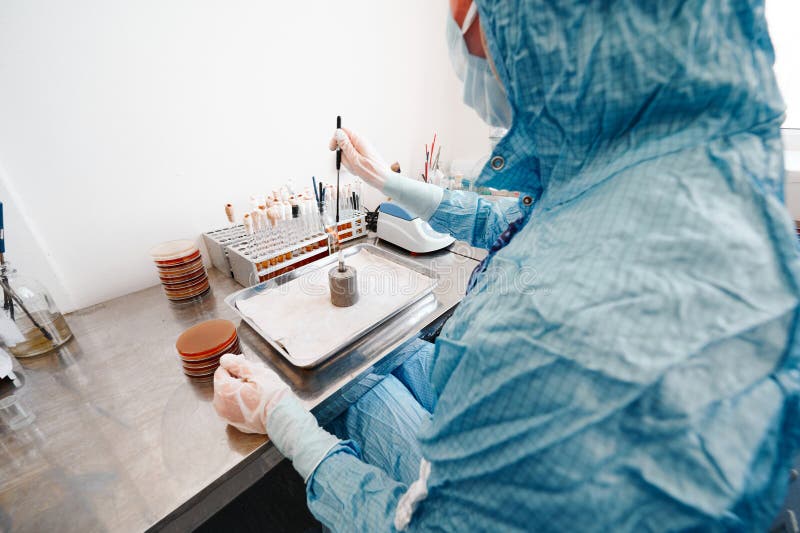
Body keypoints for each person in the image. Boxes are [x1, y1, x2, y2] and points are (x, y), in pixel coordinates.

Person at [213, 0, 800, 530]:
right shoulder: (681, 170)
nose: (456, 21)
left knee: (362, 393)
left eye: (466, 9)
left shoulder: (539, 334)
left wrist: (282, 419)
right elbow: (515, 225)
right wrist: (387, 181)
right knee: (386, 357)